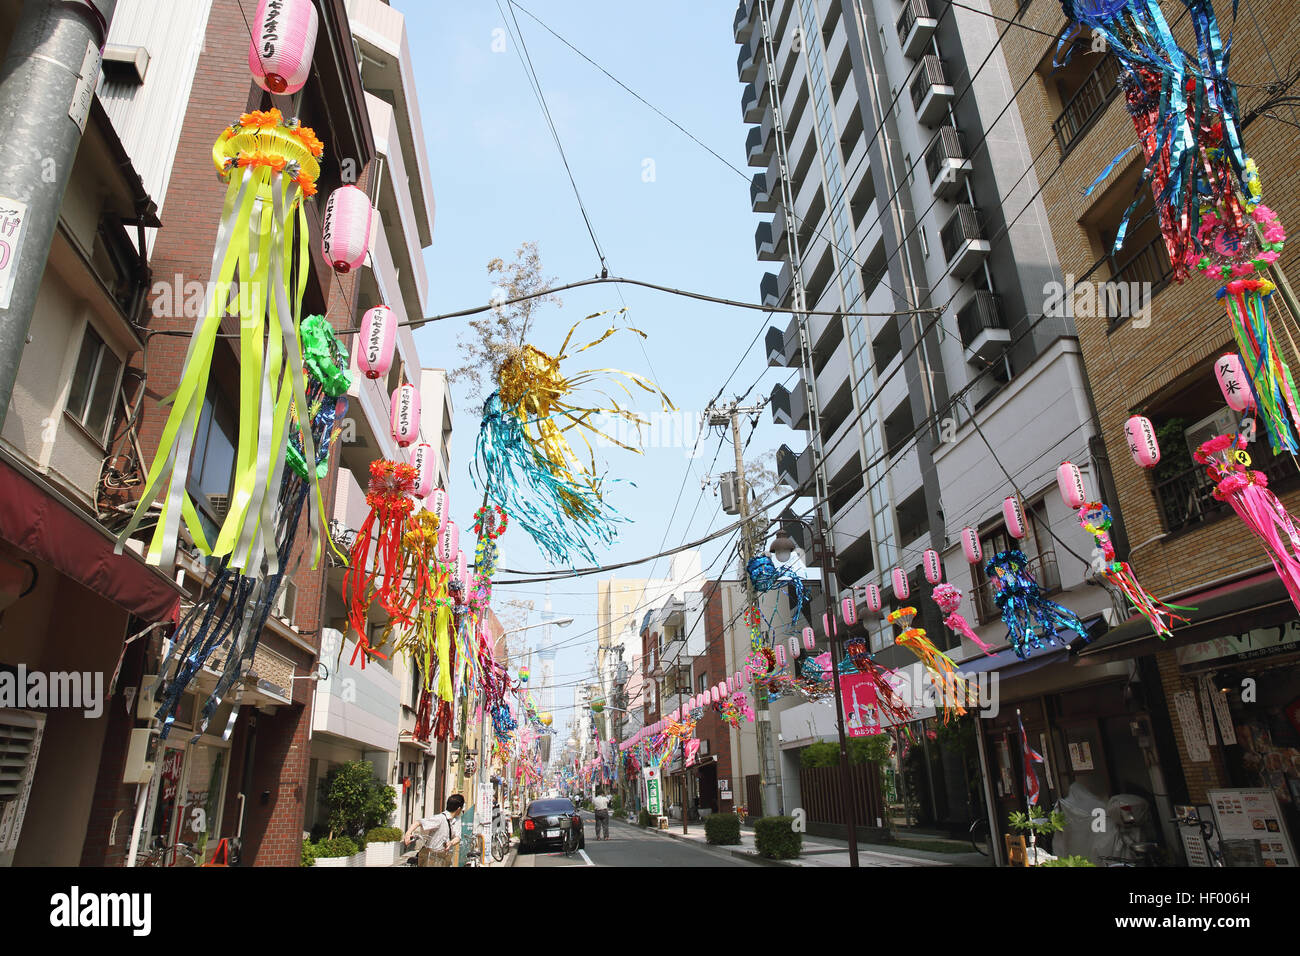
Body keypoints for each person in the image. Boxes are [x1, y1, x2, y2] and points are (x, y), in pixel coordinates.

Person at [404, 794, 465, 867]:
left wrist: (451, 843)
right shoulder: (440, 818)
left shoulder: (457, 820)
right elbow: (419, 822)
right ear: (459, 809)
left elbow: (458, 837)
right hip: (431, 855)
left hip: (445, 856)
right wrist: (408, 833)